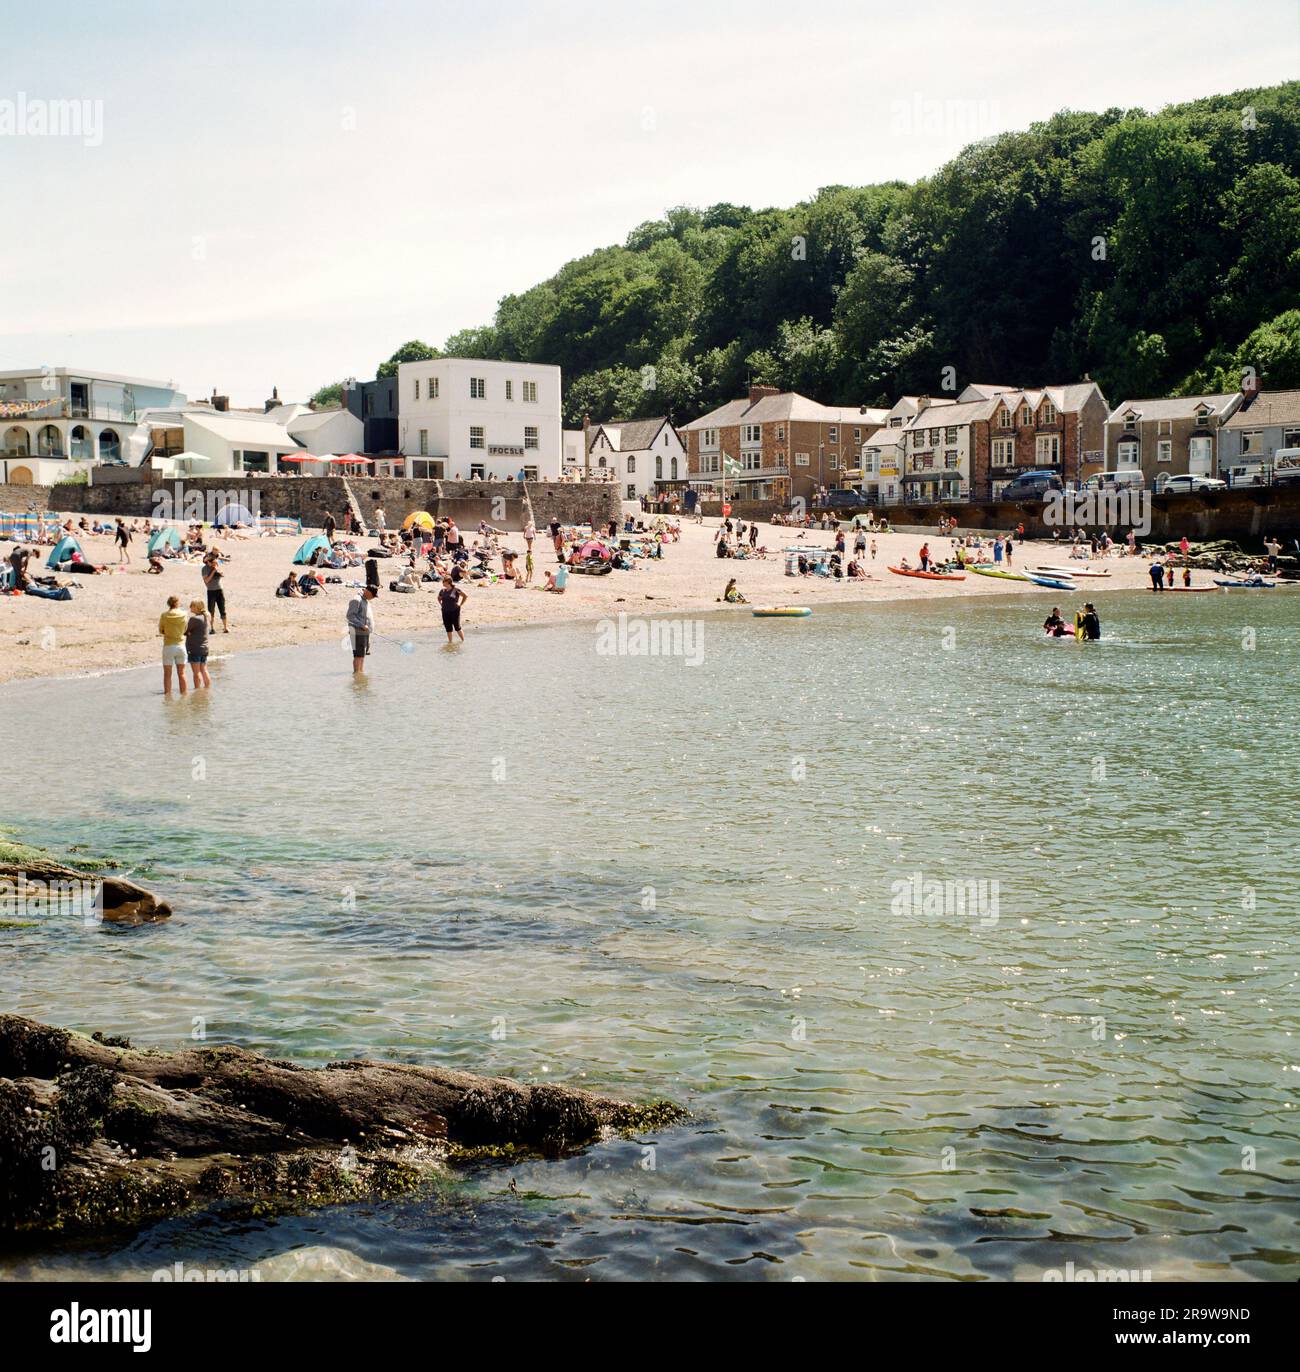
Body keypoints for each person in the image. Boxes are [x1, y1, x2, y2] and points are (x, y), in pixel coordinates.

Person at [158, 594, 188, 695]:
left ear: (168, 604)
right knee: (182, 674)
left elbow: (161, 630)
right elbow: (185, 629)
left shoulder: (164, 615)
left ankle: (167, 696)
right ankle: (184, 696)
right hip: (180, 646)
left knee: (167, 674)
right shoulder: (184, 614)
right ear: (177, 603)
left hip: (168, 646)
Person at [346, 584, 378, 674]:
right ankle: (356, 674)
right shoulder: (356, 600)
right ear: (367, 592)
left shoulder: (365, 600)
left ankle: (360, 673)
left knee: (362, 655)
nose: (373, 598)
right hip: (357, 631)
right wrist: (362, 625)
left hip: (364, 632)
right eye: (373, 595)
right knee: (358, 655)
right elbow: (350, 616)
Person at [185, 599, 211, 688]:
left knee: (196, 673)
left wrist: (188, 633)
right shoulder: (206, 617)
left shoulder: (194, 619)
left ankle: (197, 691)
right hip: (204, 648)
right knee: (204, 670)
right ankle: (207, 689)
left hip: (195, 648)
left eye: (191, 605)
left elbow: (185, 631)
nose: (190, 607)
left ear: (196, 607)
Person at [202, 551, 229, 632]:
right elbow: (206, 580)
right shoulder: (204, 569)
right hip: (211, 591)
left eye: (214, 562)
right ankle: (212, 628)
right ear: (208, 562)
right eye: (212, 562)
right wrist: (213, 571)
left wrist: (220, 573)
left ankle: (225, 627)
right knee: (211, 611)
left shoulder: (216, 565)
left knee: (222, 609)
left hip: (219, 590)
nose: (214, 563)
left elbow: (222, 575)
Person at [438, 575, 468, 643]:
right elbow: (439, 598)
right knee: (448, 628)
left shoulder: (456, 590)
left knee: (457, 627)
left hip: (455, 611)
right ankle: (450, 642)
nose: (442, 583)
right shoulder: (442, 591)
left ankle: (463, 641)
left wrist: (460, 604)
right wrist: (441, 604)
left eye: (443, 581)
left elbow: (465, 596)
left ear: (448, 582)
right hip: (445, 611)